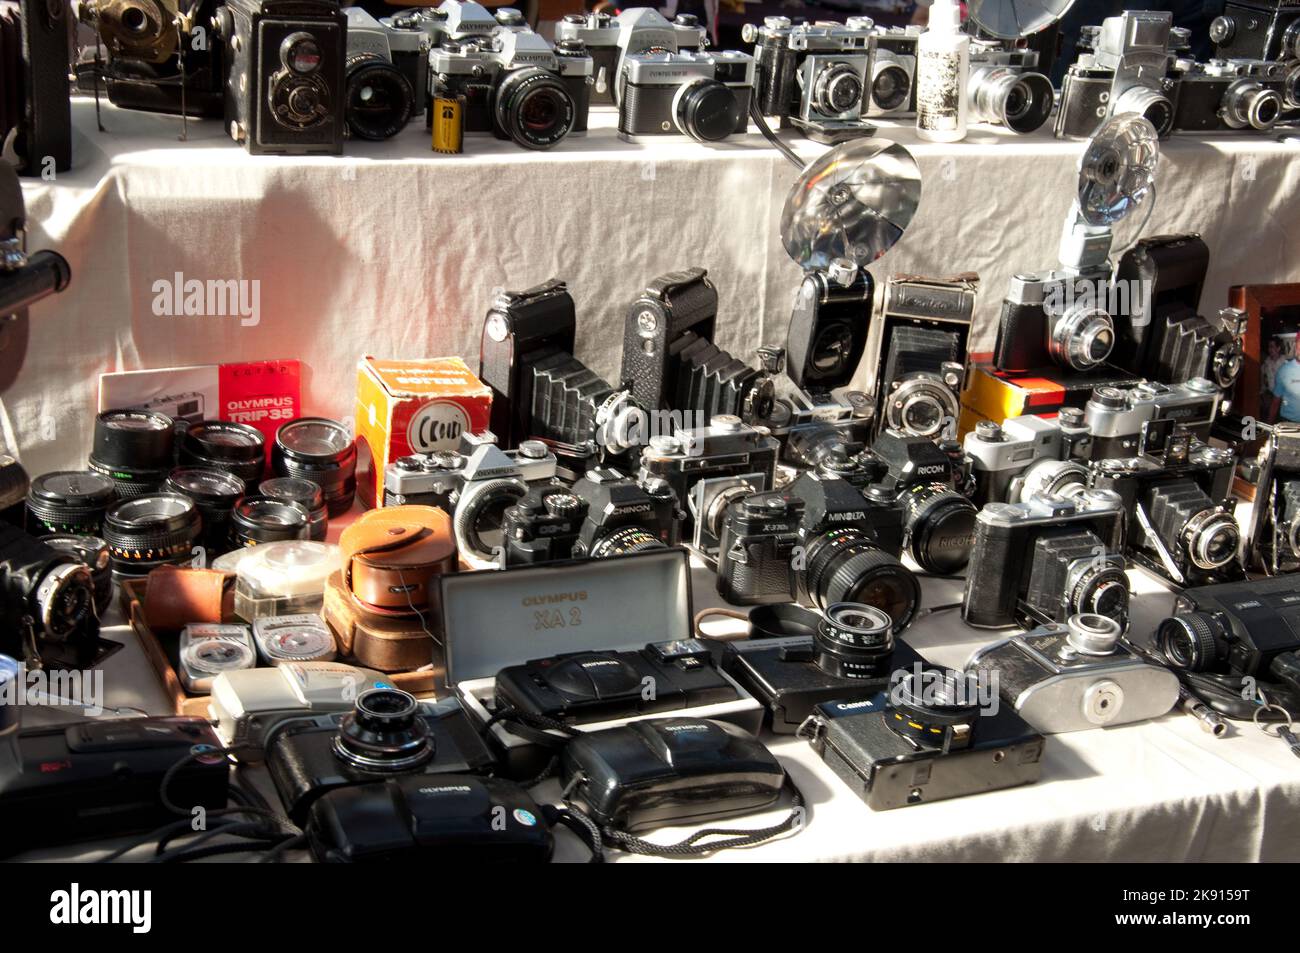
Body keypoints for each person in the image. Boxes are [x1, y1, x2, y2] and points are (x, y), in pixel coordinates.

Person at [1271, 337, 1300, 423]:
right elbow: (1275, 402)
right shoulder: (1284, 370)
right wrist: (1269, 426)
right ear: (1295, 346)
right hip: (1289, 424)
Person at [1262, 336, 1286, 422]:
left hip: (1284, 400)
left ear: (1278, 348)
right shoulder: (1266, 364)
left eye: (1272, 346)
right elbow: (1264, 382)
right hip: (1270, 398)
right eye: (1269, 347)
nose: (1270, 349)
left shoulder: (1285, 363)